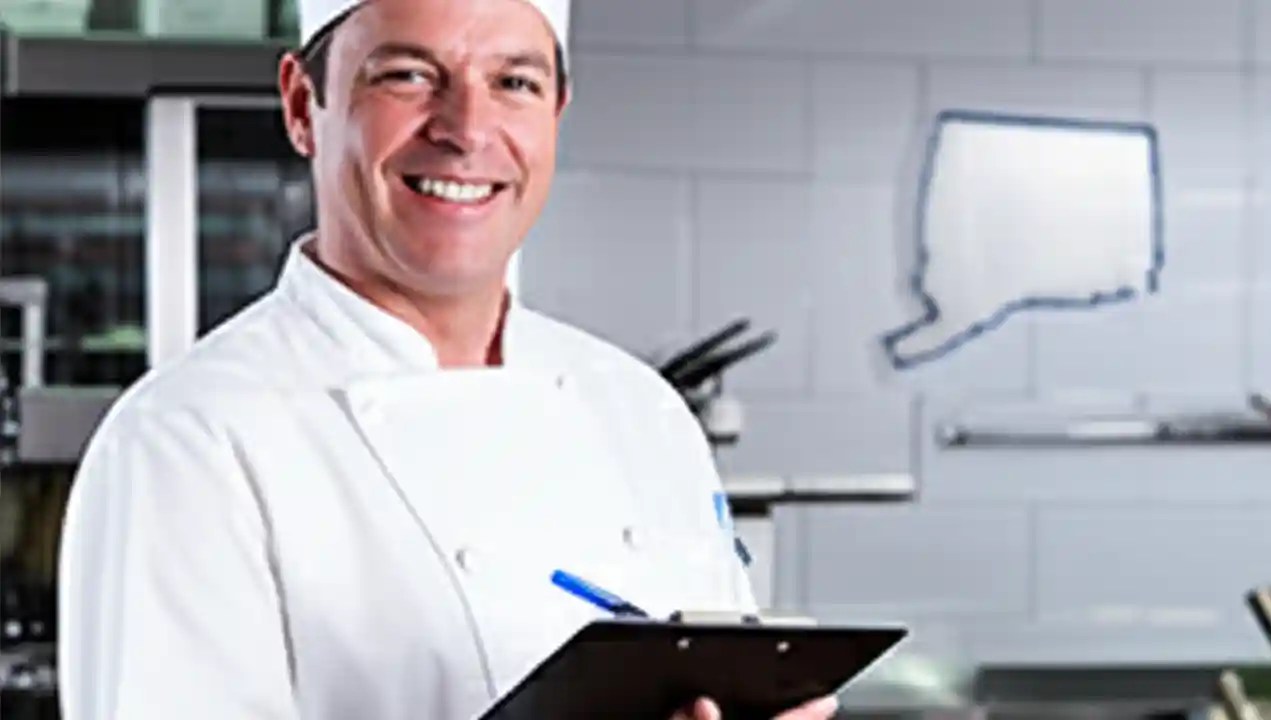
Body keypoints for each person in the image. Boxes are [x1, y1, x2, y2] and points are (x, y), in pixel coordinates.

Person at [56, 1, 838, 718]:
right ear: (302, 105)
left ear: (557, 113)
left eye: (514, 82)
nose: (467, 128)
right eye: (407, 75)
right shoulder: (189, 442)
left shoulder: (643, 409)